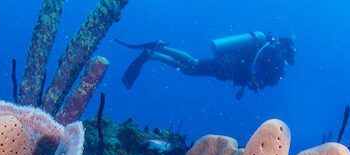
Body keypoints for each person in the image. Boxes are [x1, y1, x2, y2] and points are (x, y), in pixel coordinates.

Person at [119, 32, 295, 99]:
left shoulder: (270, 50)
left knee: (189, 69)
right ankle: (160, 48)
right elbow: (263, 75)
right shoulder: (276, 56)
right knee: (193, 64)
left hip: (229, 69)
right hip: (228, 67)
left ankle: (155, 54)